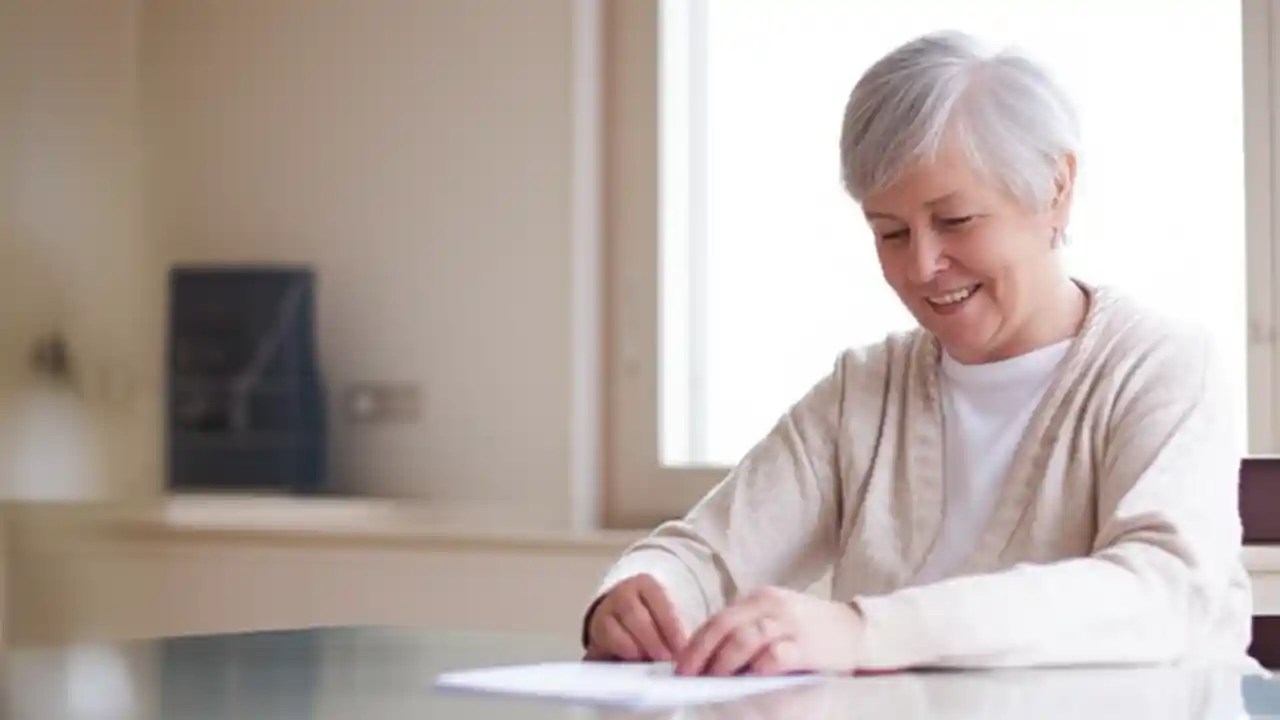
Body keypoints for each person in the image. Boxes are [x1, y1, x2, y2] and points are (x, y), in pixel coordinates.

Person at [582, 30, 1252, 676]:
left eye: (955, 221)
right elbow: (708, 555)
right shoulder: (863, 391)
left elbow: (1165, 594)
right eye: (890, 232)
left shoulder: (1163, 368)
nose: (922, 265)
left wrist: (861, 632)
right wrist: (645, 592)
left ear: (1056, 187)